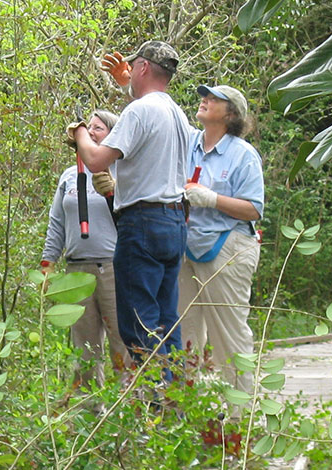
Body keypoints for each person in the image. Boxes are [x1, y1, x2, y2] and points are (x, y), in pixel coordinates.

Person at [68, 40, 195, 363]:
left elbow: (96, 160)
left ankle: (154, 403)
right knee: (166, 320)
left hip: (143, 225)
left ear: (142, 68)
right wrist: (127, 85)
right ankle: (175, 403)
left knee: (139, 324)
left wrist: (81, 132)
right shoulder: (176, 113)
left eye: (133, 66)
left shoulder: (139, 111)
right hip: (174, 221)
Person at [175, 85, 264, 392]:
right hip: (187, 246)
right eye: (205, 96)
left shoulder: (243, 155)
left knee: (228, 337)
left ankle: (243, 420)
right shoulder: (188, 142)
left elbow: (254, 209)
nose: (205, 101)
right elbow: (156, 117)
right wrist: (127, 86)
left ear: (231, 114)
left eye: (214, 99)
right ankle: (189, 418)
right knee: (183, 335)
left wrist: (212, 199)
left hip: (228, 247)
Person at [42, 110, 132, 387]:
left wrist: (114, 192)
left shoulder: (126, 174)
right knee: (84, 347)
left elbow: (136, 218)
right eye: (87, 127)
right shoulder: (69, 177)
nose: (90, 132)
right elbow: (57, 222)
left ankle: (128, 412)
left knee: (122, 342)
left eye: (98, 128)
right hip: (76, 269)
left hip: (114, 268)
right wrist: (48, 264)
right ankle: (87, 414)